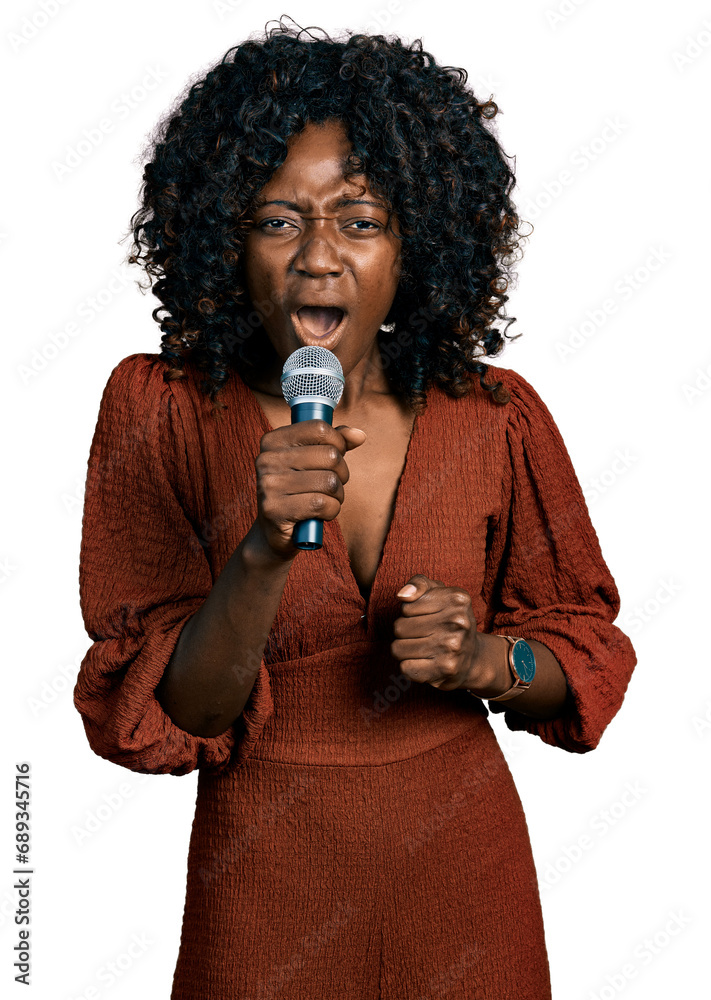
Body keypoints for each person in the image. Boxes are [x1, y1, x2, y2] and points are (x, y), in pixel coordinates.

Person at [73, 18, 637, 999]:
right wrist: (258, 552)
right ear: (221, 235)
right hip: (268, 883)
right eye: (278, 218)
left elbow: (583, 644)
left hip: (464, 873)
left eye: (361, 219)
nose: (317, 257)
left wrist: (488, 661)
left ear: (419, 242)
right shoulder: (157, 409)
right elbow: (175, 715)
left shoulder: (497, 417)